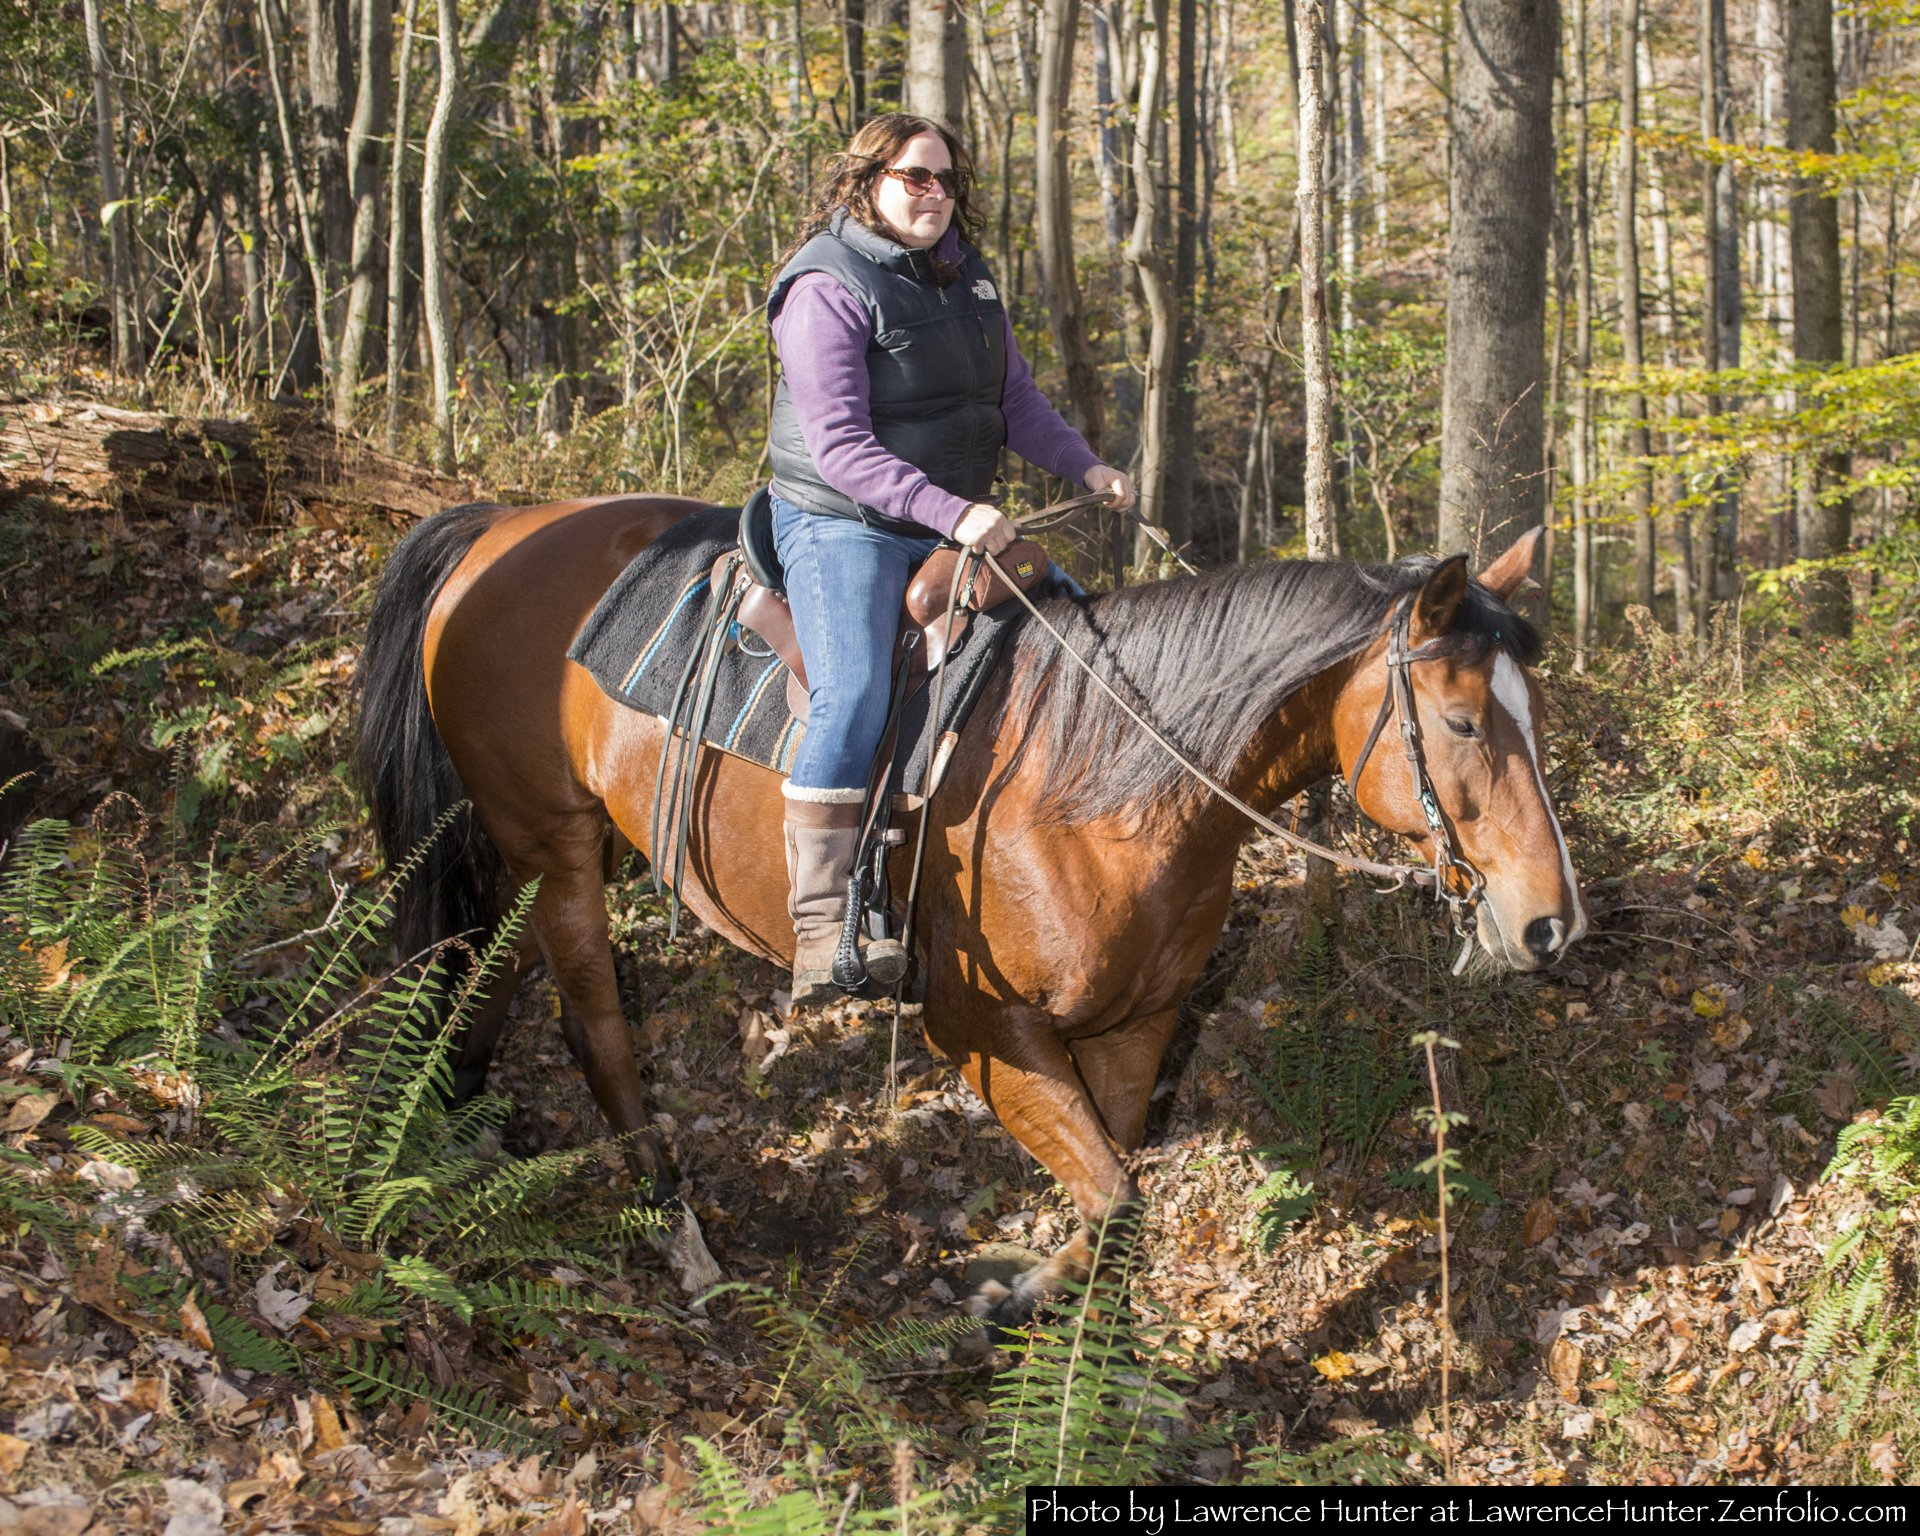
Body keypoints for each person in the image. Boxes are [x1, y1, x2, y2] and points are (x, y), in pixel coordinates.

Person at [765, 112, 1136, 1008]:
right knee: (851, 690)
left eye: (945, 180)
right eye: (913, 178)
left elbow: (1016, 400)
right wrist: (957, 513)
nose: (934, 195)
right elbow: (845, 448)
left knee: (1076, 625)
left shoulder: (967, 279)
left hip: (953, 517)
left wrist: (1083, 463)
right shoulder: (824, 285)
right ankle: (821, 922)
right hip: (842, 521)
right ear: (866, 183)